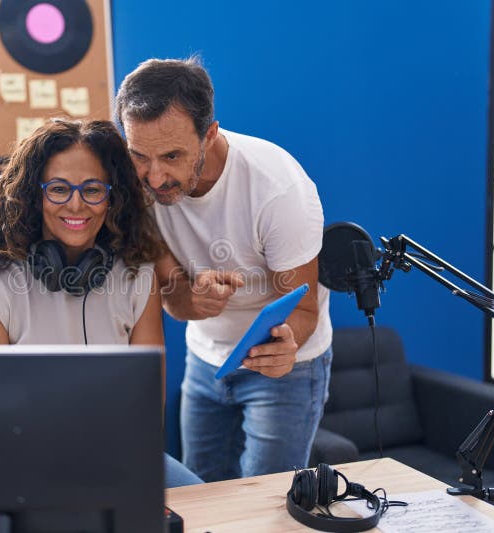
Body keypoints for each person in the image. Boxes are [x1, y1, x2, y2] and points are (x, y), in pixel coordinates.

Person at [115, 57, 333, 482]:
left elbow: (305, 311)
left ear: (209, 133)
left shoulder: (277, 190)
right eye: (139, 155)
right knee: (201, 503)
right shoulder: (136, 185)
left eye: (173, 155)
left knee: (265, 508)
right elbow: (172, 295)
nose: (154, 177)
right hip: (204, 357)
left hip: (284, 368)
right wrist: (189, 296)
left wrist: (286, 347)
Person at [0, 118, 203, 488]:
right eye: (58, 189)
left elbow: (146, 406)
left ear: (113, 196)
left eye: (93, 189)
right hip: (26, 465)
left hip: (118, 457)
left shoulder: (137, 277)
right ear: (34, 194)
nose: (76, 205)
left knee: (202, 504)